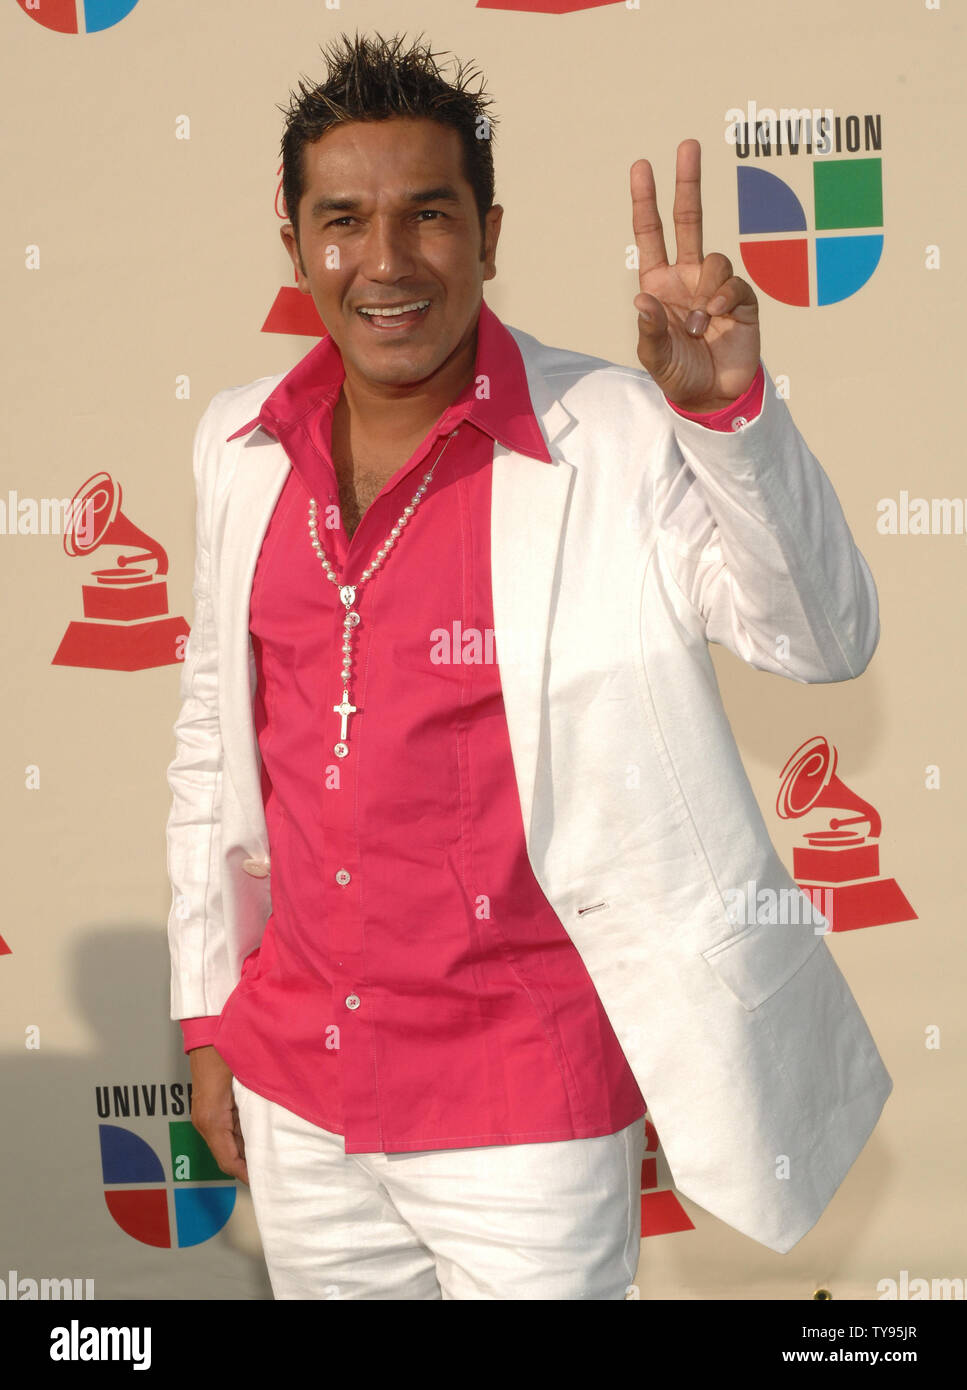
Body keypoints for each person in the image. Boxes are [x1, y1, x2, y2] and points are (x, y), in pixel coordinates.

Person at [165, 31, 891, 1300]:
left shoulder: (609, 432)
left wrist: (727, 414)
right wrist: (208, 1015)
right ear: (293, 243)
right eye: (343, 220)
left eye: (427, 215)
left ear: (490, 236)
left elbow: (819, 639)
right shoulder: (235, 446)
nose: (385, 262)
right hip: (301, 1085)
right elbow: (215, 743)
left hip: (523, 1096)